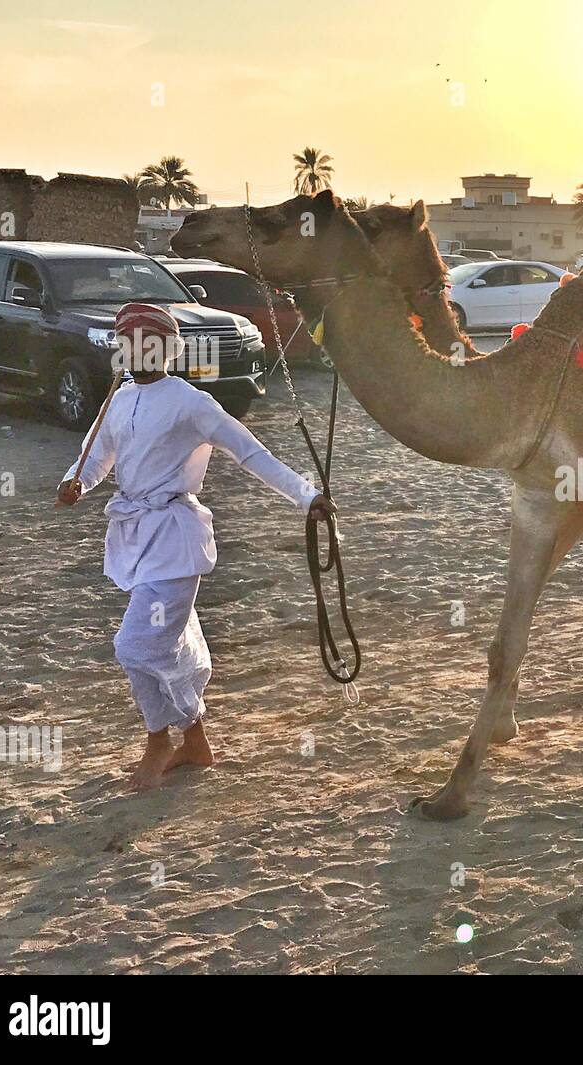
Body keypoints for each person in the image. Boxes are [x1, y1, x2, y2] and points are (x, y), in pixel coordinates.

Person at [55, 303, 334, 791]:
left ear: (165, 349)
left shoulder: (192, 402)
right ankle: (197, 742)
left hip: (176, 540)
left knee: (136, 645)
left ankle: (159, 738)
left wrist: (308, 496)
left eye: (146, 343)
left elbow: (251, 453)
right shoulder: (118, 400)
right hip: (134, 538)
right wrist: (75, 483)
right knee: (173, 644)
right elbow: (95, 457)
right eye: (129, 343)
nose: (136, 351)